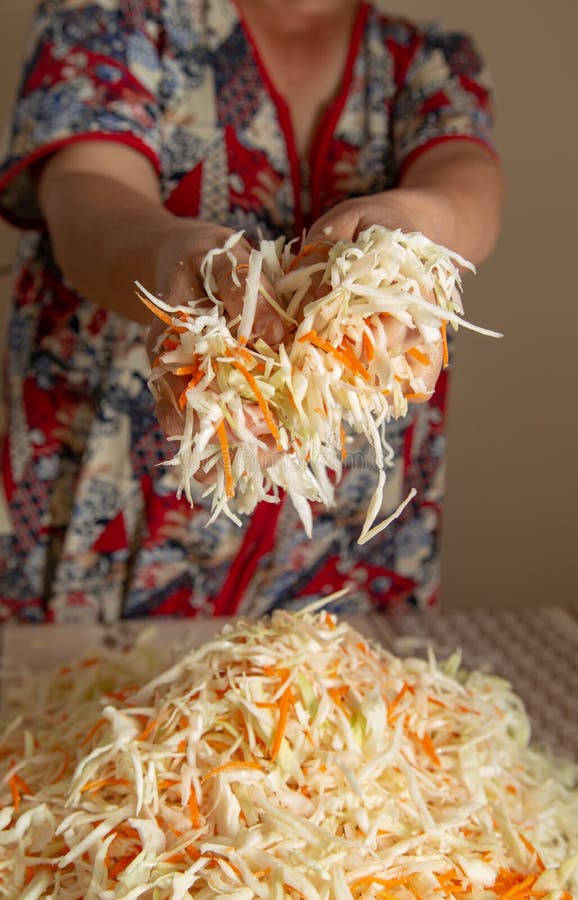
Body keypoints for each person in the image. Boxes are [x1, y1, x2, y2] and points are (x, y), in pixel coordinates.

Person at [0, 0, 503, 623]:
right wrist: (171, 256)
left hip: (346, 527)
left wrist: (406, 233)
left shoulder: (424, 62)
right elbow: (86, 196)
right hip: (110, 497)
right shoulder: (110, 20)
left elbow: (467, 186)